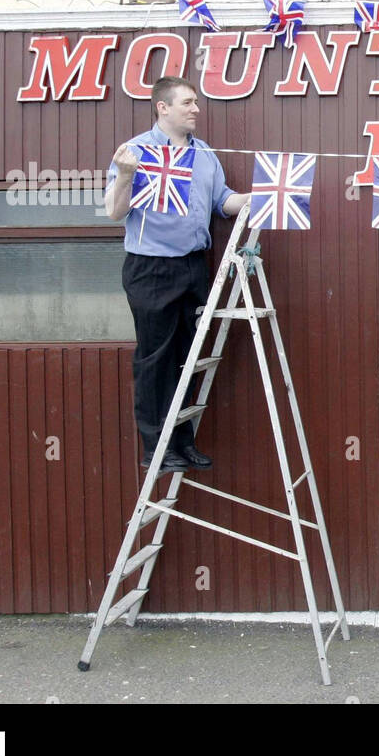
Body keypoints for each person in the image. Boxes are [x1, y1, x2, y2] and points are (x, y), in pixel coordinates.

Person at [103, 76, 249, 473]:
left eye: (197, 102)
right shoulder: (134, 153)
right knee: (155, 358)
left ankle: (181, 442)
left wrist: (259, 198)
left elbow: (225, 201)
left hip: (193, 265)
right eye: (187, 102)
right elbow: (115, 212)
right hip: (151, 267)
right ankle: (156, 449)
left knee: (187, 358)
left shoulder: (204, 155)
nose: (196, 108)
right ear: (162, 107)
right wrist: (126, 175)